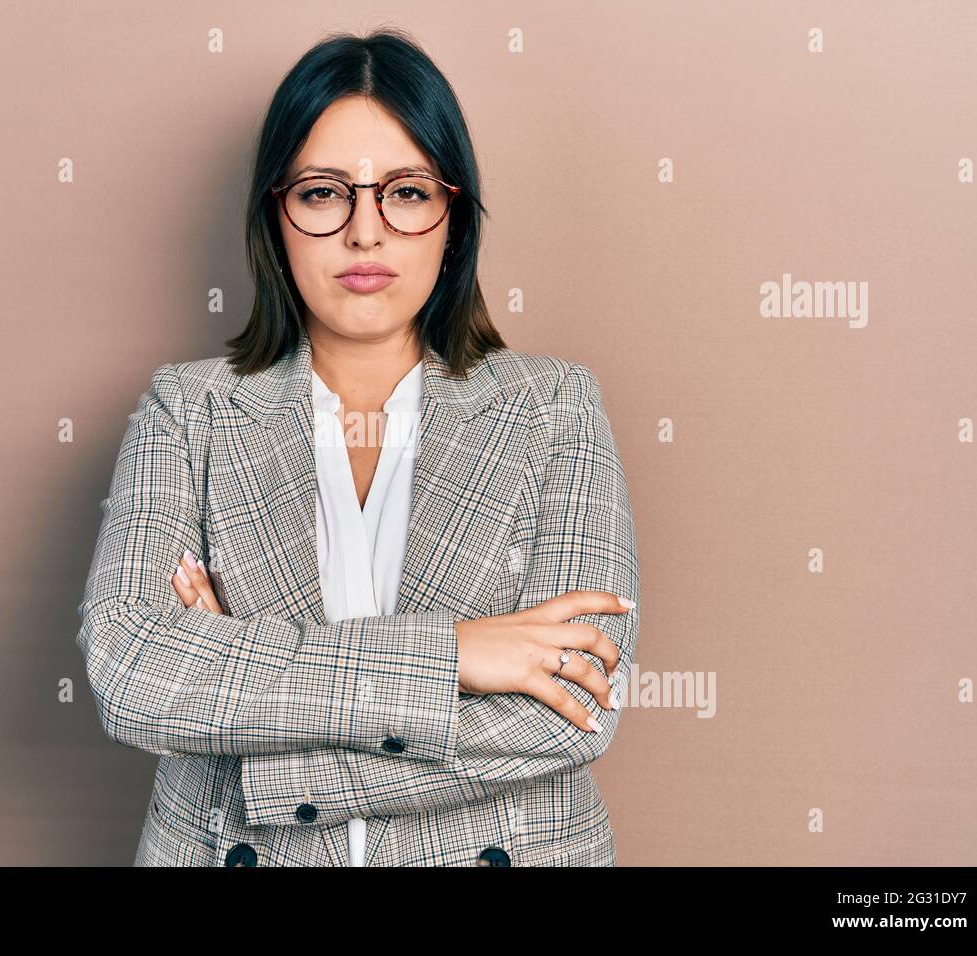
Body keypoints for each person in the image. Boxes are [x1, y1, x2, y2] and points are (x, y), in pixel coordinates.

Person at [75, 27, 641, 867]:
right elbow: (134, 675)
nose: (365, 233)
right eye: (324, 192)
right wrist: (457, 655)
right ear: (277, 211)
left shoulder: (555, 406)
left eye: (406, 192)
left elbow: (573, 707)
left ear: (453, 215)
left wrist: (242, 703)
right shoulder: (187, 407)